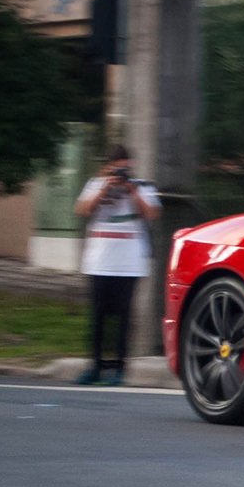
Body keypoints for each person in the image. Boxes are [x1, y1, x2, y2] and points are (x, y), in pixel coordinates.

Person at [72, 145, 161, 386]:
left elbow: (152, 213)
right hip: (100, 262)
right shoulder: (96, 184)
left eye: (125, 166)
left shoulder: (142, 186)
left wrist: (131, 190)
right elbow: (81, 210)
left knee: (123, 317)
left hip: (129, 263)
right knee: (98, 317)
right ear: (109, 166)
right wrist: (105, 189)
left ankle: (119, 369)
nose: (121, 170)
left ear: (130, 164)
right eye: (117, 166)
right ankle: (95, 367)